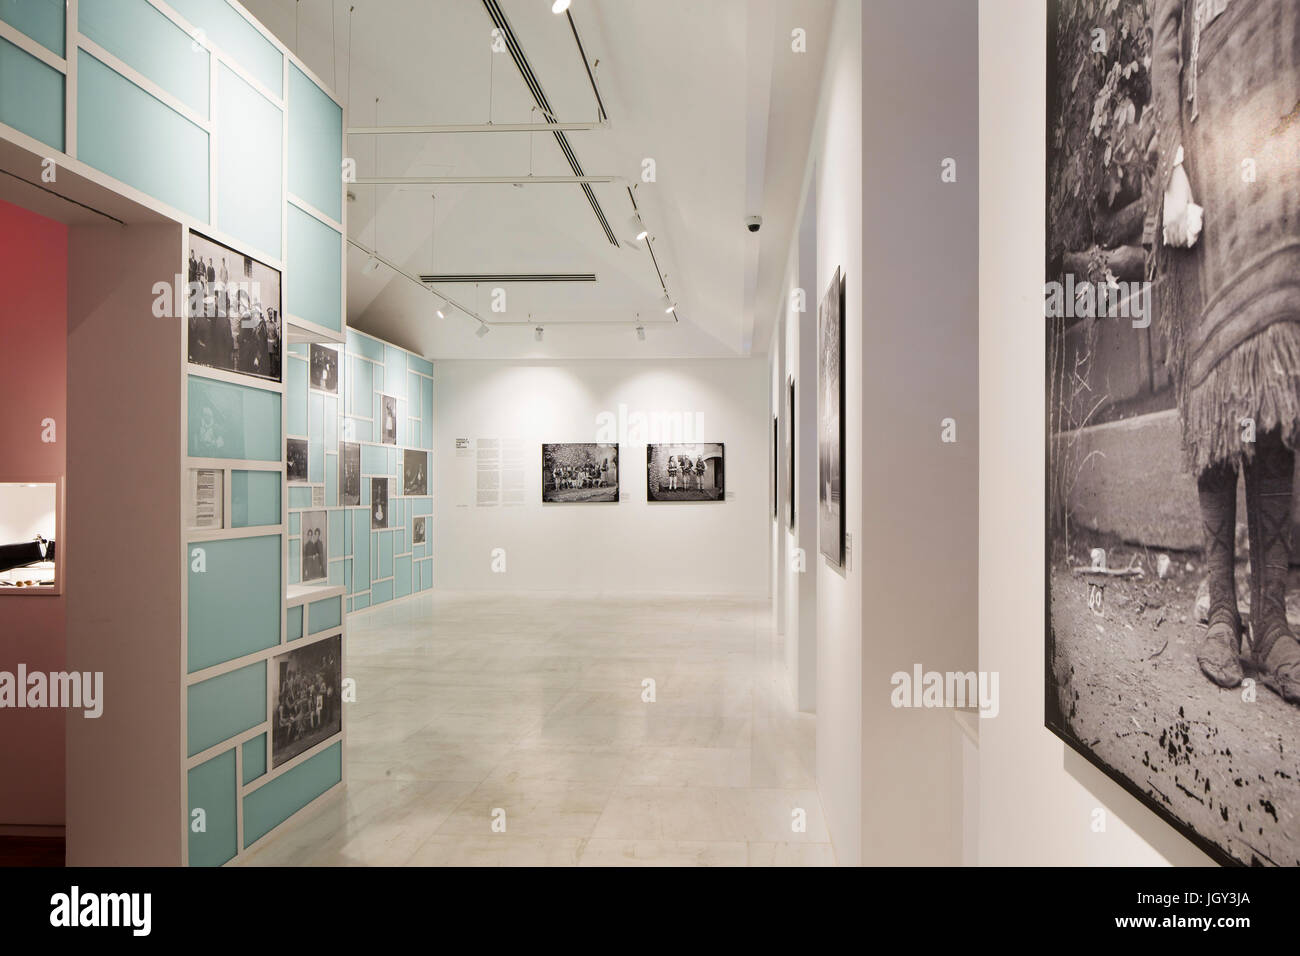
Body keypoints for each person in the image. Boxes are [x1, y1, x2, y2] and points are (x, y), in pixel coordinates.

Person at [1150, 0, 1300, 702]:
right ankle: (1222, 610)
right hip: (1208, 153)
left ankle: (1271, 623)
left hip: (1276, 133)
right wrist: (1172, 165)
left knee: (1271, 375)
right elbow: (1166, 40)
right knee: (1214, 376)